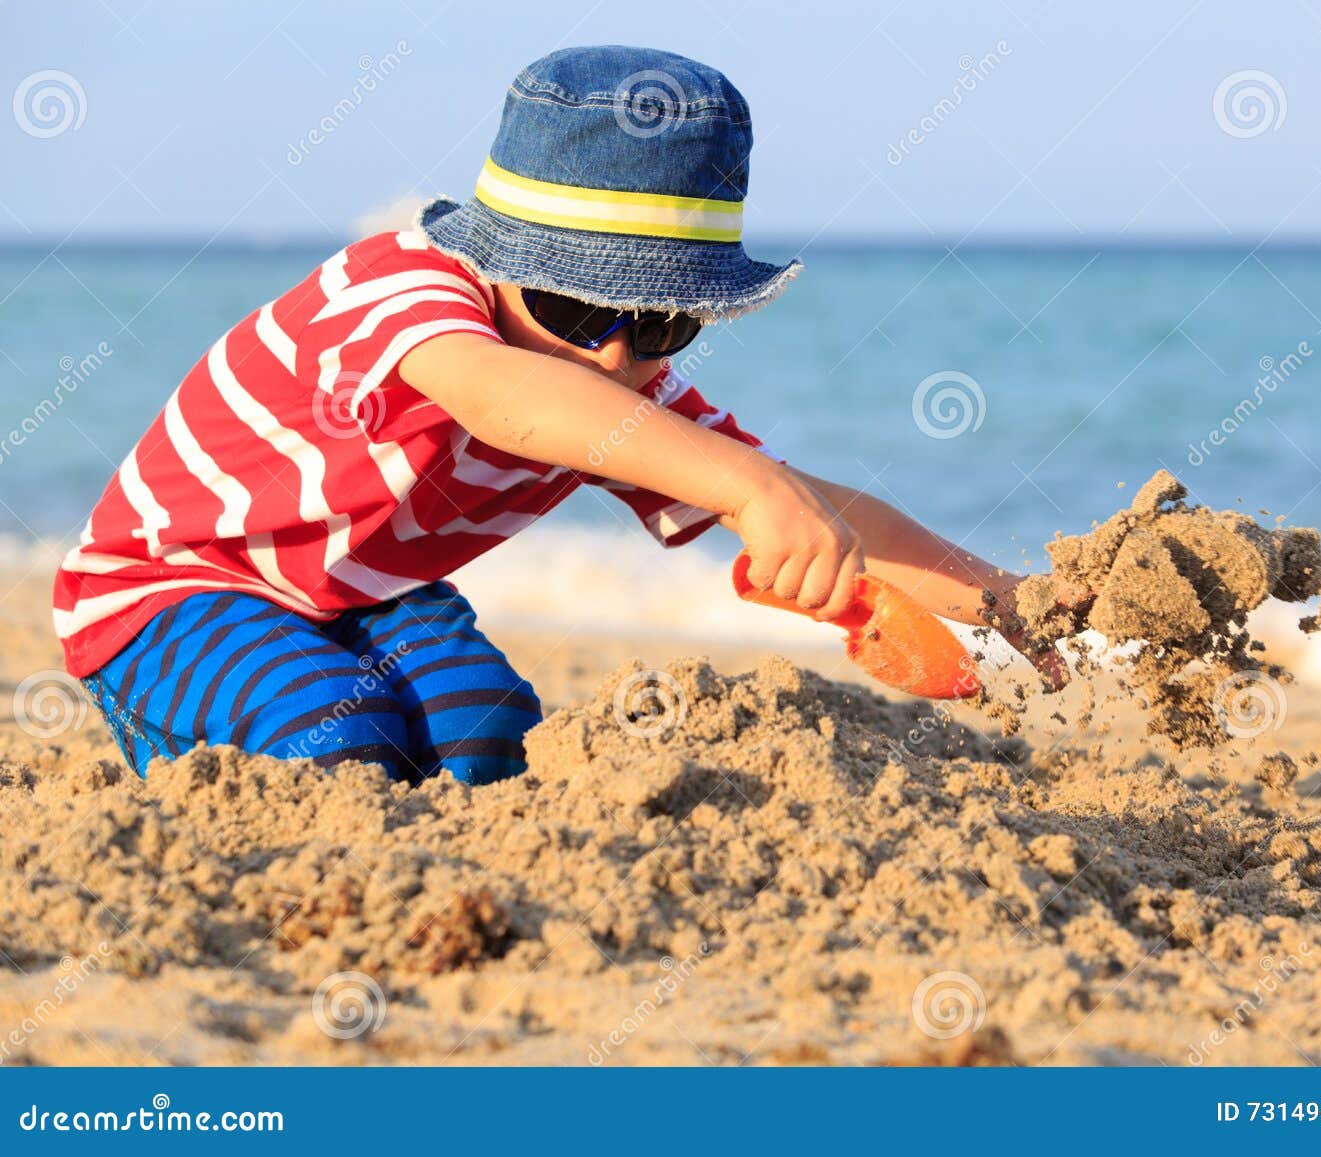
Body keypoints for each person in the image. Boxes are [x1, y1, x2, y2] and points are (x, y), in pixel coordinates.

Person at [54, 45, 1068, 785]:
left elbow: (817, 507)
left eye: (666, 321)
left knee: (486, 735)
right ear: (496, 261)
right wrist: (743, 484)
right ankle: (173, 743)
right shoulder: (400, 283)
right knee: (332, 733)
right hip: (173, 584)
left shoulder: (622, 394)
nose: (615, 351)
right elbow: (506, 396)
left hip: (355, 591)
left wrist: (1011, 600)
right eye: (577, 305)